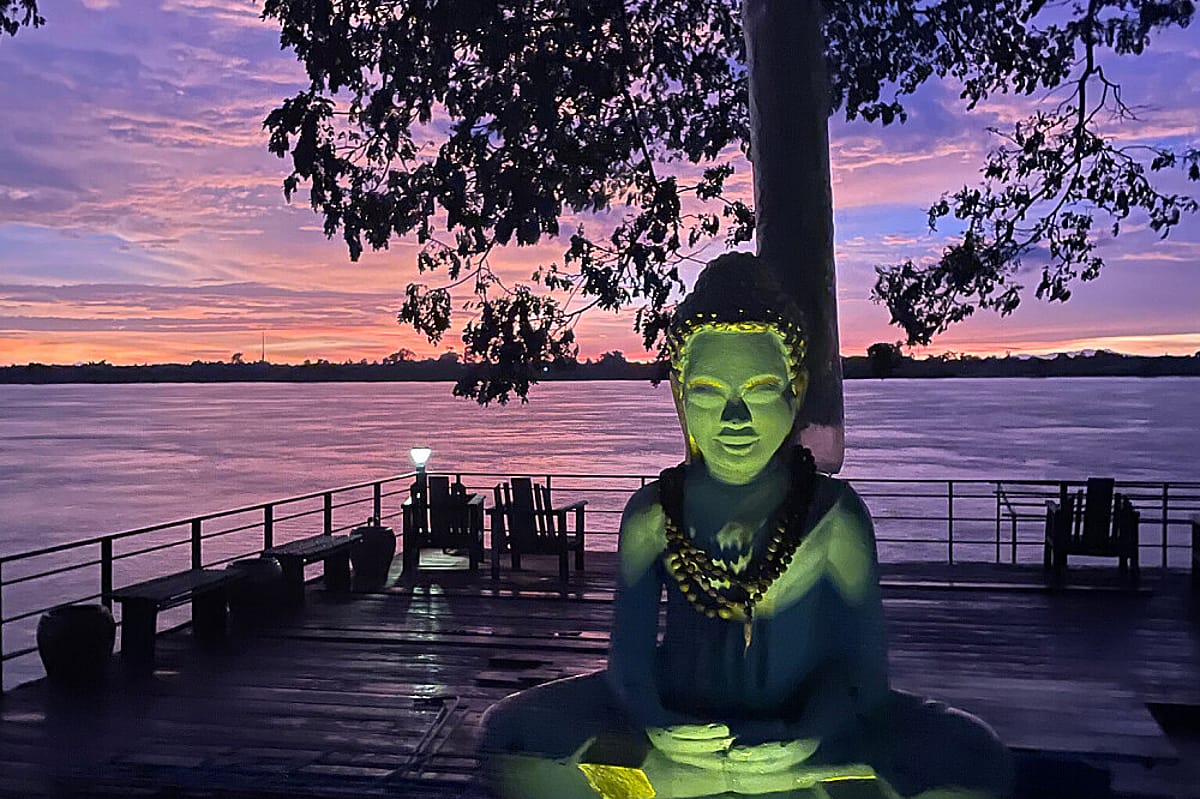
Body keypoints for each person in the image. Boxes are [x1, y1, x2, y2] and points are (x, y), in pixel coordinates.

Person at [479, 253, 1014, 799]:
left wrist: (809, 733)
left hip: (799, 729)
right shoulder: (652, 515)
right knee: (509, 736)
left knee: (976, 761)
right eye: (710, 392)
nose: (735, 419)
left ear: (795, 389)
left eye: (759, 389)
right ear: (680, 394)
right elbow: (629, 668)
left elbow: (862, 676)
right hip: (682, 730)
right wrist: (659, 725)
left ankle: (703, 784)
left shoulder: (833, 516)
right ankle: (708, 780)